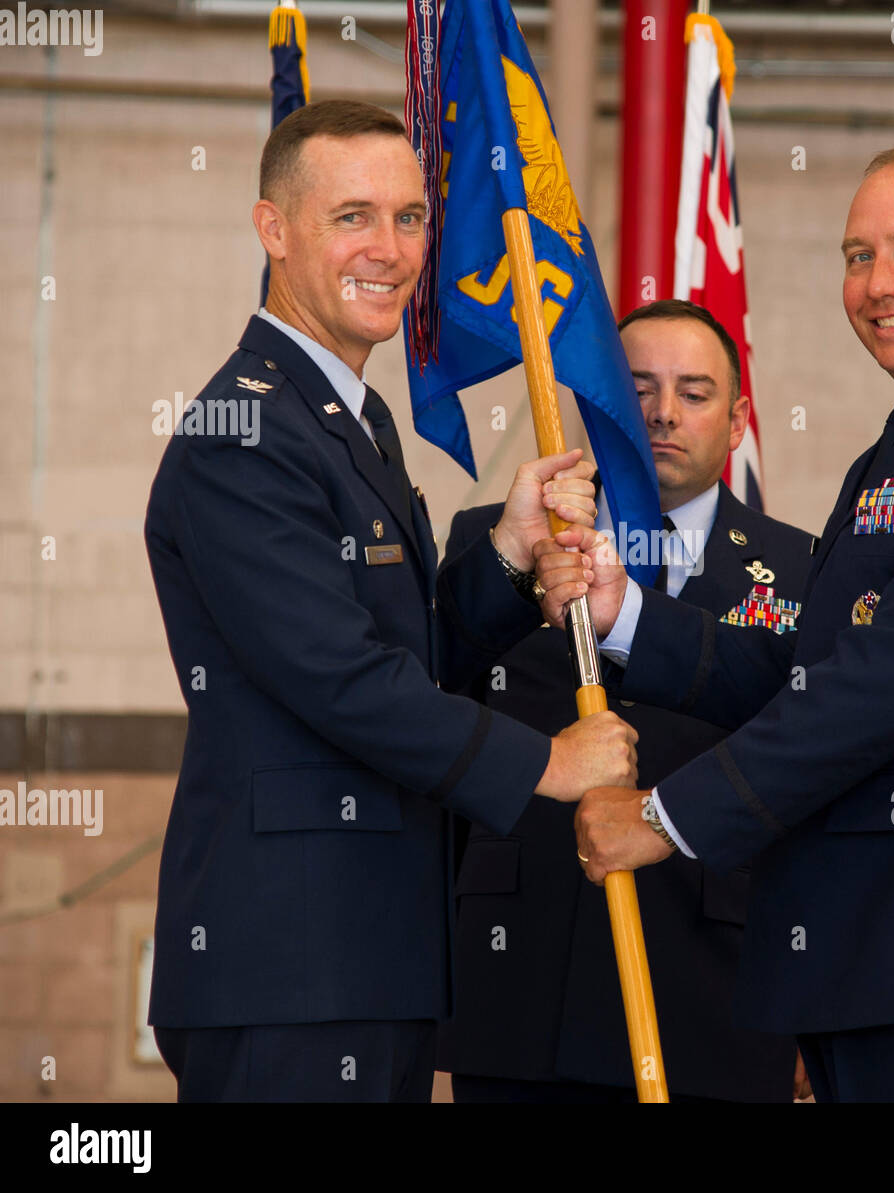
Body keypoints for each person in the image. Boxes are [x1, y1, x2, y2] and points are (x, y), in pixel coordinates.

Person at [536, 145, 894, 1103]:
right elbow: (814, 668)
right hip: (874, 963)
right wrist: (627, 617)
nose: (878, 283)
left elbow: (882, 686)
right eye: (858, 255)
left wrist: (664, 817)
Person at [143, 100, 637, 1103]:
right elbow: (338, 676)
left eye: (410, 218)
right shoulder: (246, 429)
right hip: (293, 961)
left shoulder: (343, 417)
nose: (391, 248)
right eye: (352, 217)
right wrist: (545, 762)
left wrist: (506, 552)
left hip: (366, 951)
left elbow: (399, 644)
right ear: (274, 230)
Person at [436, 300, 815, 1103]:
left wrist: (814, 1011)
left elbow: (816, 789)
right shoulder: (496, 540)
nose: (663, 412)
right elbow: (436, 740)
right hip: (519, 988)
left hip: (714, 1001)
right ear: (594, 400)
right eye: (636, 386)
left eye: (695, 391)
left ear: (739, 418)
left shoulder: (803, 569)